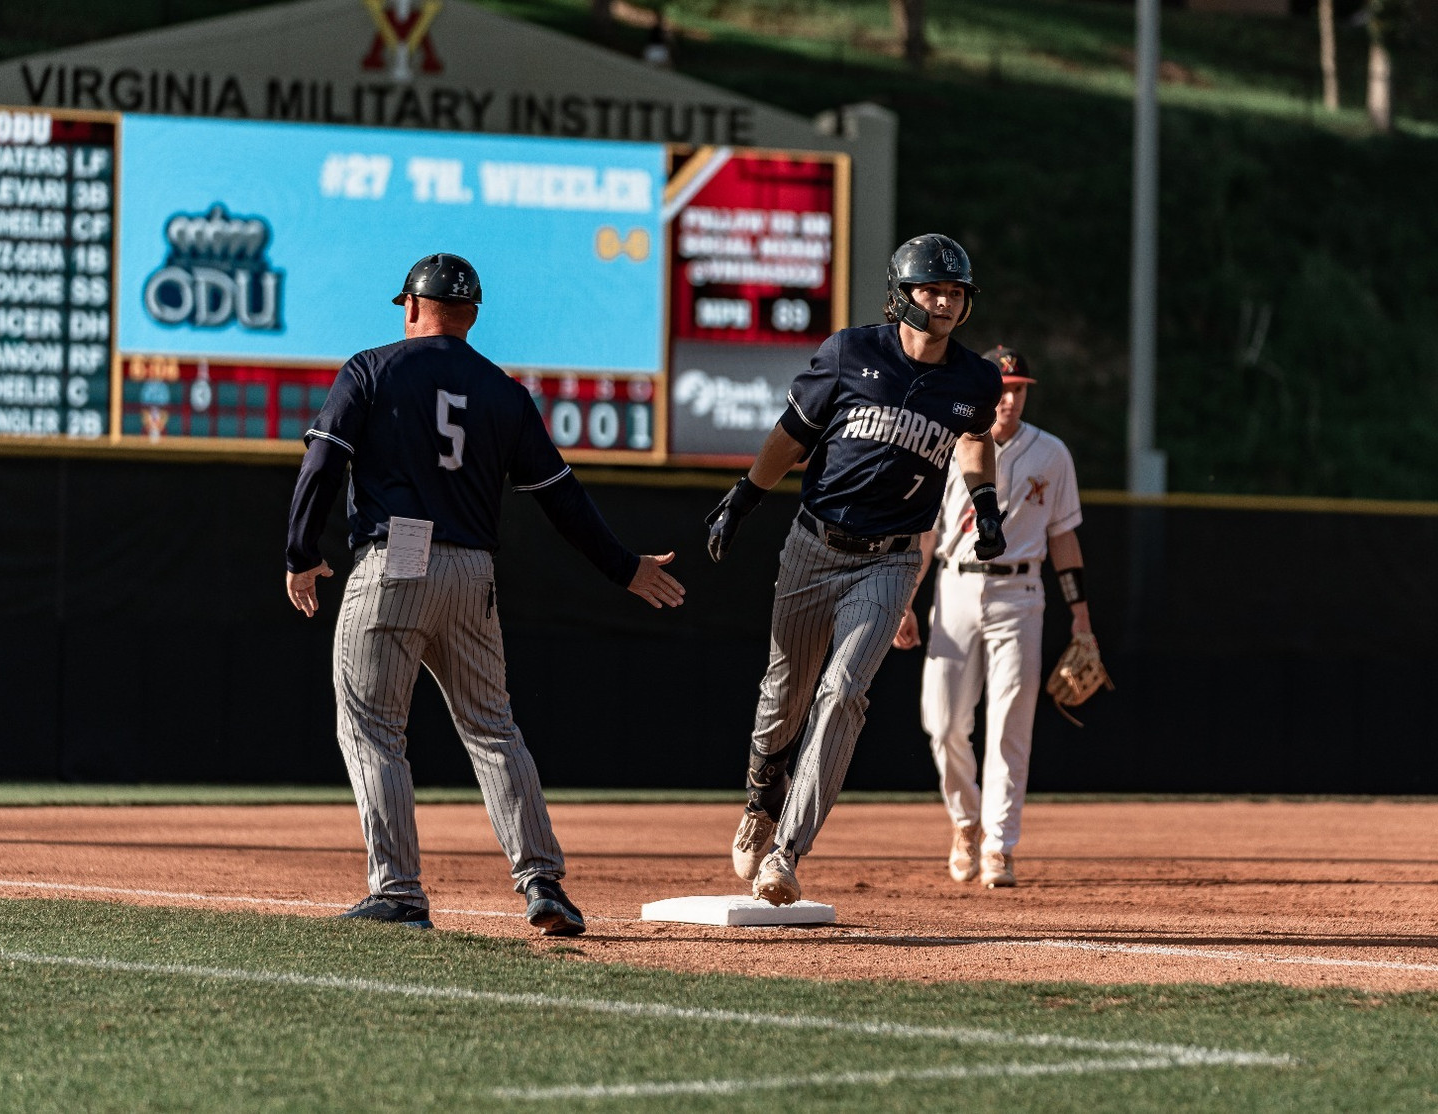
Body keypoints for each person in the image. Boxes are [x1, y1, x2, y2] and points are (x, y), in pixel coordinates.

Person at [283, 252, 685, 933]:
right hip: (472, 570)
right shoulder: (503, 391)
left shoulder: (371, 368)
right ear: (470, 316)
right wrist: (623, 566)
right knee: (493, 730)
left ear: (411, 306)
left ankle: (399, 890)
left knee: (374, 730)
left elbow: (323, 460)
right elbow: (563, 498)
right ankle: (544, 883)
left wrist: (299, 552)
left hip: (396, 558)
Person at [705, 233, 1006, 907]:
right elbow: (793, 433)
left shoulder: (974, 378)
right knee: (784, 695)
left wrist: (985, 505)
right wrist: (746, 496)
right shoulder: (852, 351)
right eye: (933, 289)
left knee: (843, 693)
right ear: (901, 294)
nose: (947, 301)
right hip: (814, 546)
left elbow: (975, 440)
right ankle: (760, 799)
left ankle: (786, 852)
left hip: (892, 557)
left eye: (956, 291)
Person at [893, 346, 1087, 889]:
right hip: (954, 587)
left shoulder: (1051, 454)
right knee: (942, 722)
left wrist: (1082, 616)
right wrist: (905, 599)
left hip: (1022, 594)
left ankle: (999, 845)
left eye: (1019, 388)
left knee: (1010, 727)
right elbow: (926, 533)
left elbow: (1064, 537)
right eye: (1001, 387)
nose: (1009, 398)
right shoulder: (952, 444)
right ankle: (965, 821)